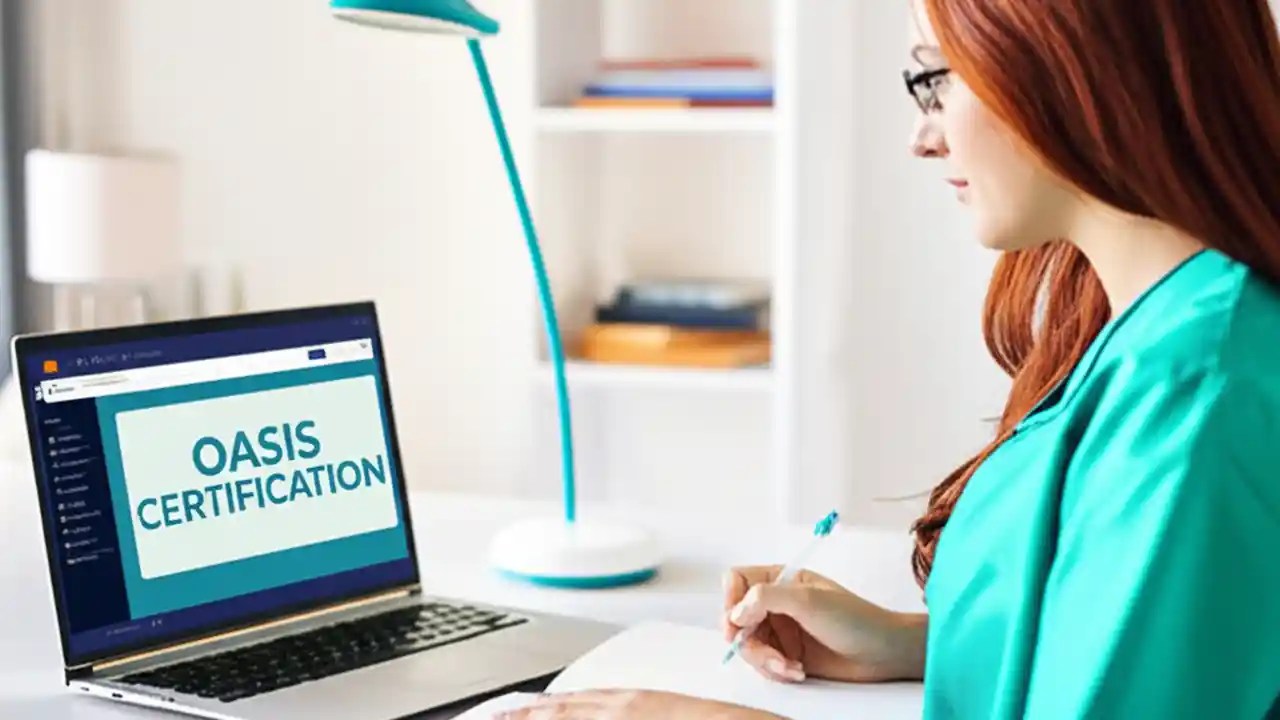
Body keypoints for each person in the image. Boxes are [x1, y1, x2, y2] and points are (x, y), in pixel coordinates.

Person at [499, 0, 1280, 717]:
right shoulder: (1161, 327)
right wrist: (914, 643)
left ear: (1066, 58)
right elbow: (1139, 642)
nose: (923, 134)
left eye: (935, 80)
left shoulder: (1201, 390)